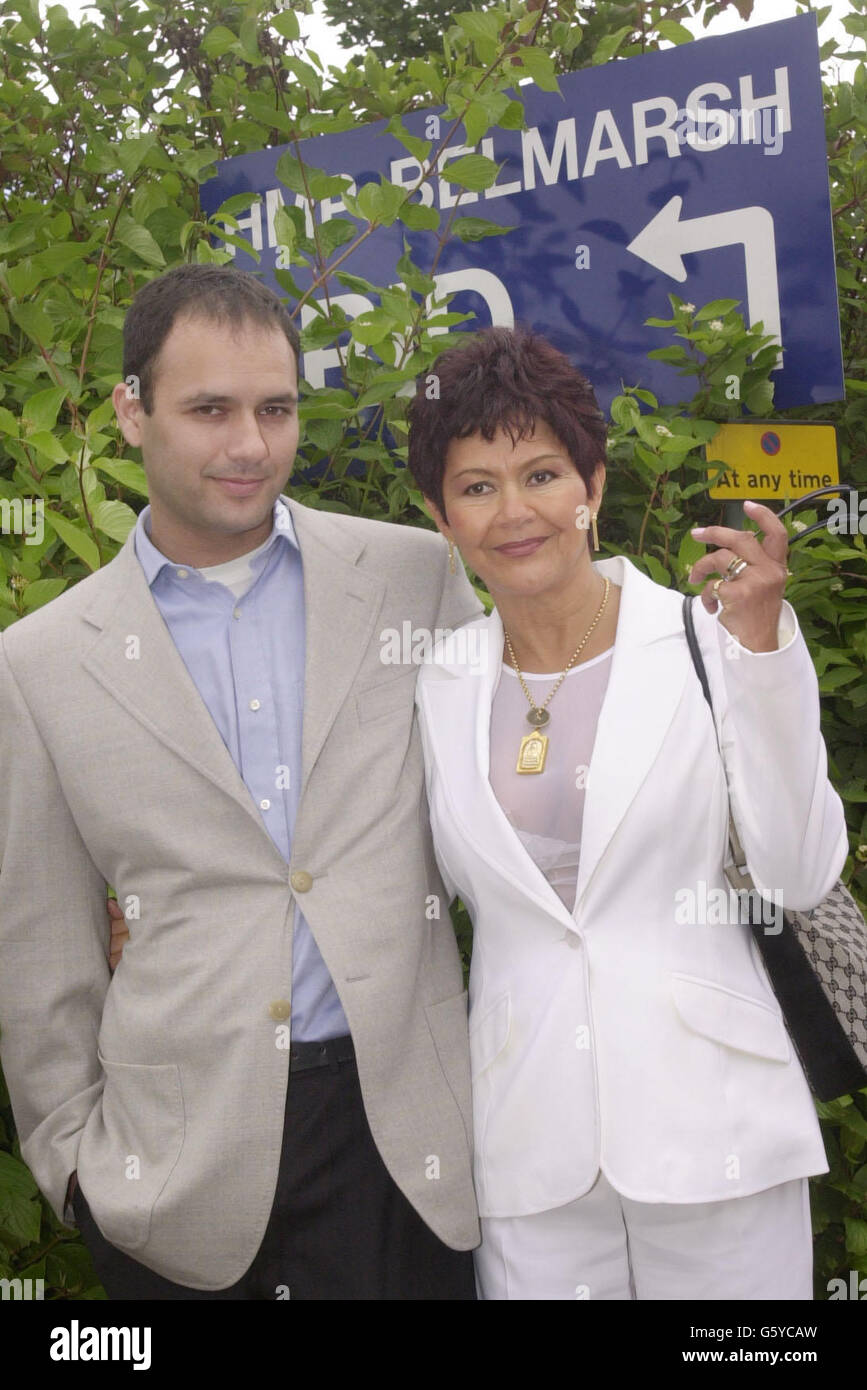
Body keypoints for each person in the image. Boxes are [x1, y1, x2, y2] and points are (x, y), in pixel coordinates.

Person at [0, 263, 482, 1299]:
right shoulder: (39, 663)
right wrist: (78, 1167)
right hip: (177, 1170)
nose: (250, 445)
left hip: (405, 1142)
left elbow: (505, 822)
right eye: (209, 409)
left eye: (276, 408)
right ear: (129, 412)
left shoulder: (416, 576)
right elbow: (40, 952)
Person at [405, 325, 849, 1300]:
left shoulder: (720, 635)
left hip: (719, 1130)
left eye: (542, 473)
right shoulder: (437, 684)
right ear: (442, 516)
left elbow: (799, 872)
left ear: (594, 486)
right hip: (526, 1142)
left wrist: (768, 659)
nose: (515, 510)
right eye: (477, 485)